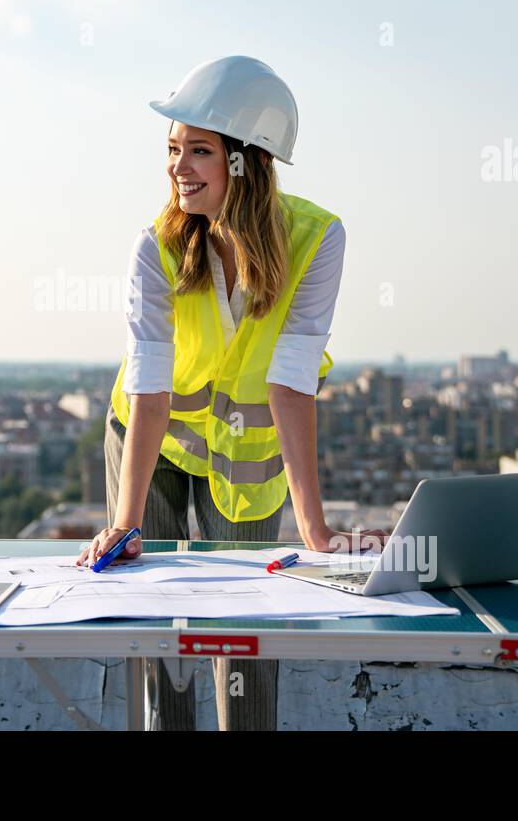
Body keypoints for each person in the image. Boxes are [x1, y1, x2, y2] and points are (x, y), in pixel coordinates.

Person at [75, 55, 388, 730]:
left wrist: (317, 532)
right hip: (147, 447)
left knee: (245, 643)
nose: (176, 166)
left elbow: (291, 380)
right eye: (173, 149)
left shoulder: (317, 239)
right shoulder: (154, 248)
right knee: (157, 639)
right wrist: (126, 522)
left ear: (245, 162)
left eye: (198, 150)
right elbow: (151, 389)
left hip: (247, 463)